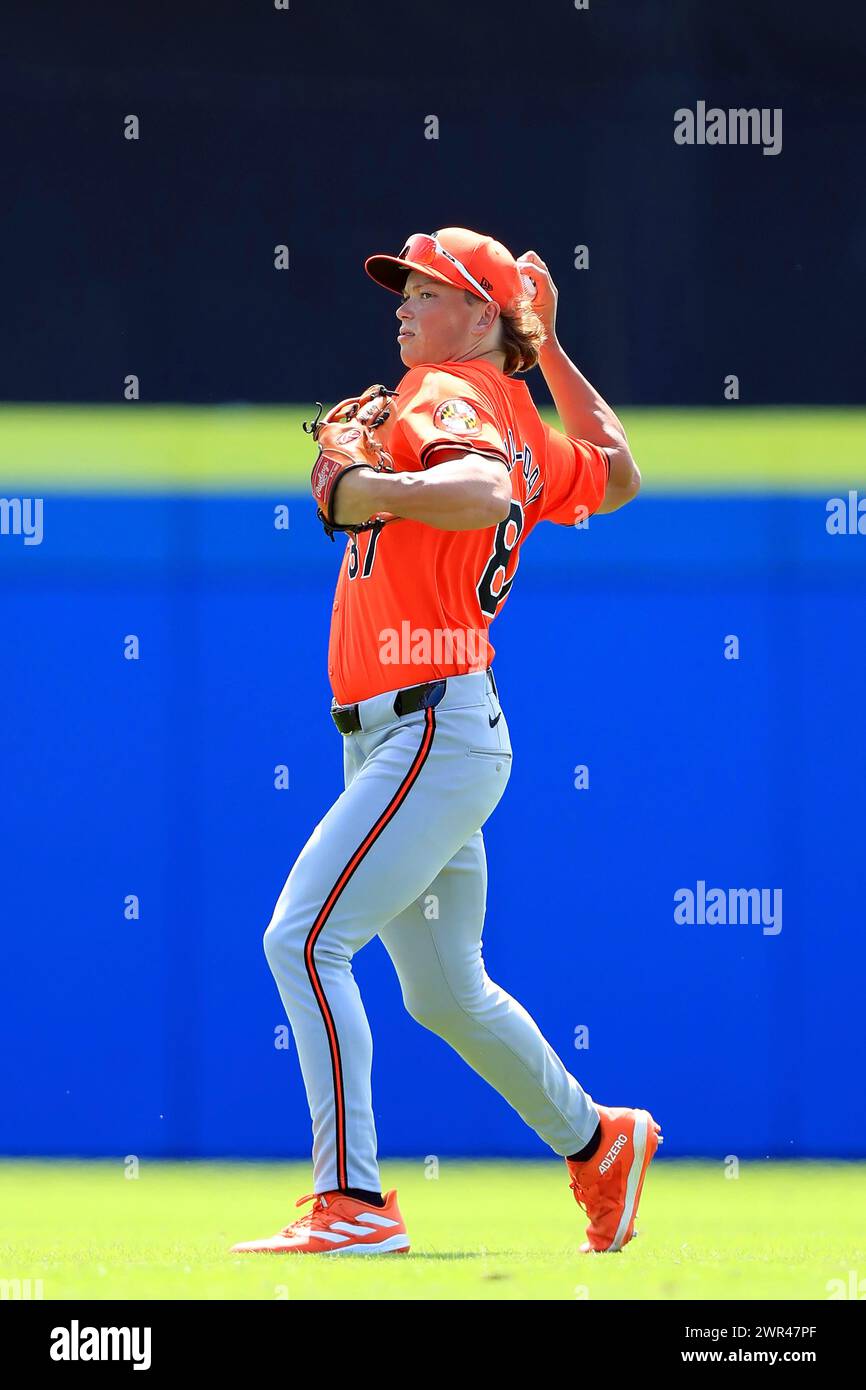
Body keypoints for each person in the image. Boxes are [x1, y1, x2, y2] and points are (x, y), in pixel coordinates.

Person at [231, 228, 661, 1258]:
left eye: (427, 290)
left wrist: (358, 488)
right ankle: (597, 1141)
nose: (402, 306)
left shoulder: (446, 394)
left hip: (425, 728)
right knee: (445, 990)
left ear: (479, 319)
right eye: (406, 290)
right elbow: (618, 475)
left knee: (302, 938)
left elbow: (479, 494)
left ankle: (353, 1202)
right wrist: (548, 347)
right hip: (440, 726)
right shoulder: (515, 412)